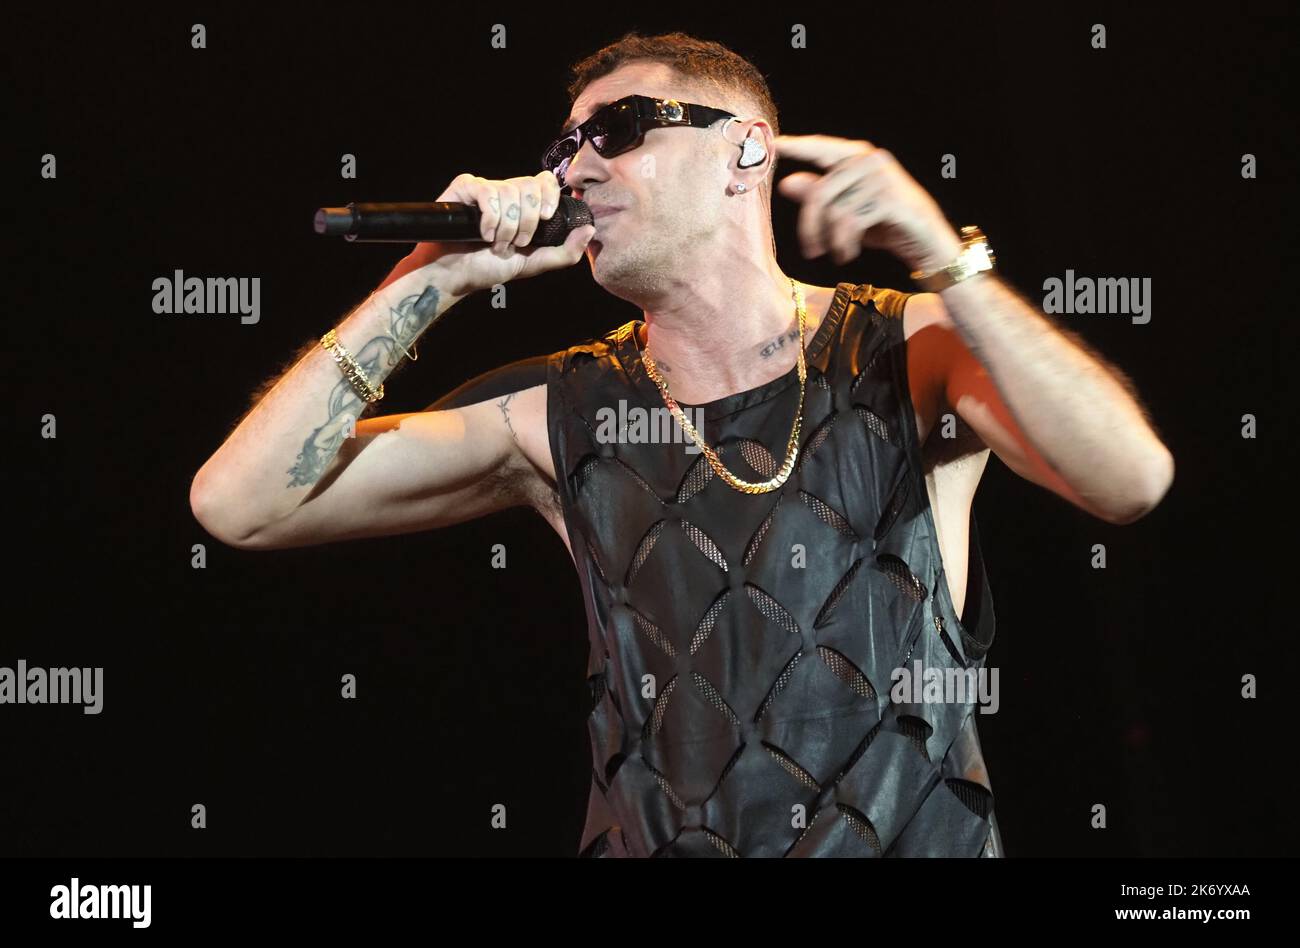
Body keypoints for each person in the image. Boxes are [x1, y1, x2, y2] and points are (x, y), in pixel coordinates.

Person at [190, 31, 1174, 857]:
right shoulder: (555, 409)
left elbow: (1128, 477)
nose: (574, 168)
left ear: (745, 150)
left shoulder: (909, 350)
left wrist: (943, 260)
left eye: (616, 131)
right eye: (562, 145)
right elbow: (237, 505)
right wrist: (428, 283)